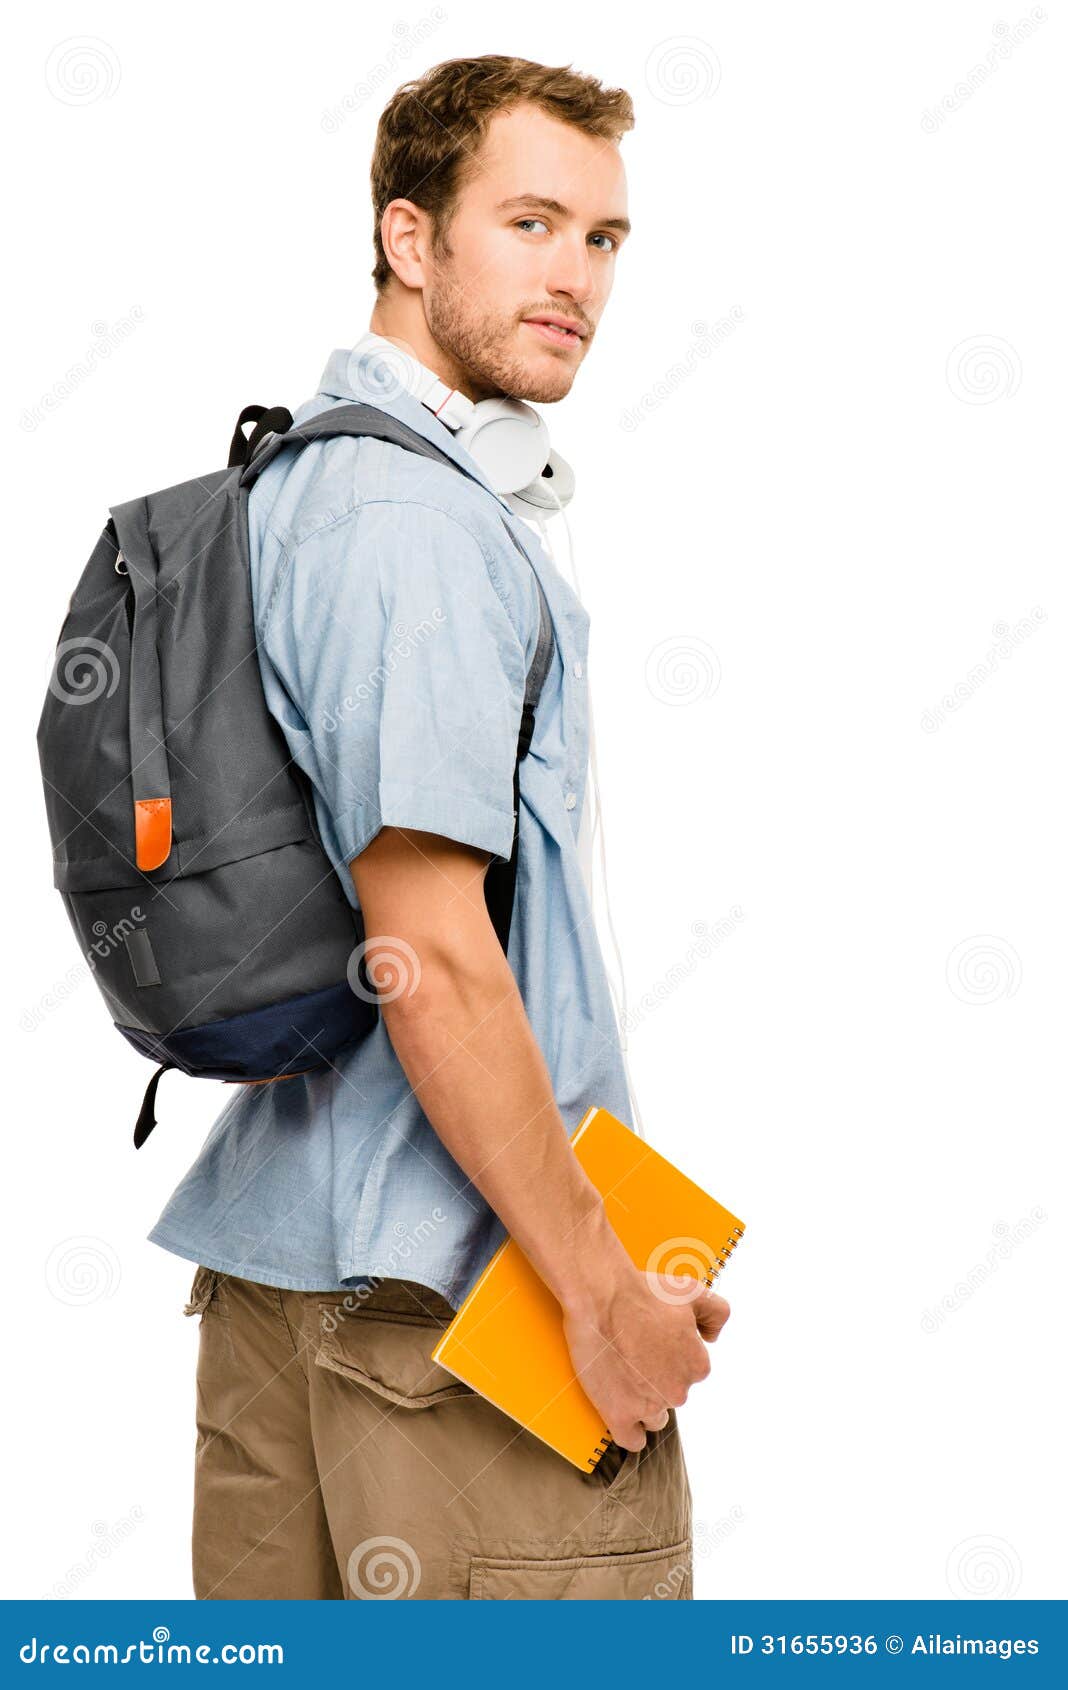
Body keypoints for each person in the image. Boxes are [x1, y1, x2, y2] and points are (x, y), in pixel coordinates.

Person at [151, 53, 730, 1602]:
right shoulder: (414, 518)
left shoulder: (294, 477)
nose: (577, 277)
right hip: (459, 1314)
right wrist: (600, 1291)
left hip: (280, 1271)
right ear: (408, 239)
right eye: (529, 222)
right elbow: (429, 951)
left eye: (603, 238)